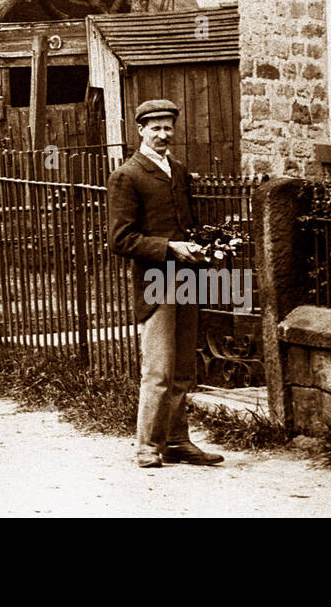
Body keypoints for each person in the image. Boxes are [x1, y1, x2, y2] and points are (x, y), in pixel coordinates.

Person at [107, 99, 223, 468]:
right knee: (158, 368)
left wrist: (205, 245)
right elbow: (120, 239)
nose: (162, 134)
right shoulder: (128, 175)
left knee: (184, 367)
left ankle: (176, 440)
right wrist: (169, 247)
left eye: (168, 127)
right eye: (154, 127)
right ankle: (146, 445)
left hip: (187, 277)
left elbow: (187, 224)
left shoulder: (179, 170)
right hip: (155, 280)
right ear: (140, 130)